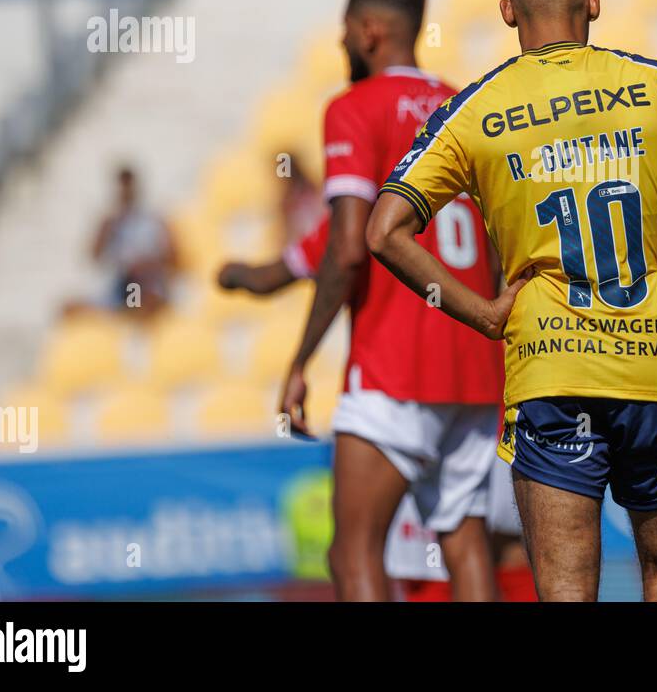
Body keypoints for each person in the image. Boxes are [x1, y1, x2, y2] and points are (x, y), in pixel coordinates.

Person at [367, 0, 657, 601]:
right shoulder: (655, 84)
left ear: (508, 11)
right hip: (653, 365)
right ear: (593, 2)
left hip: (551, 372)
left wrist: (483, 314)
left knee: (567, 591)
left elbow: (384, 229)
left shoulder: (474, 111)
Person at [282, 0, 507, 602]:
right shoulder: (467, 106)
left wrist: (300, 360)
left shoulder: (353, 108)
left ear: (369, 30)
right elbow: (498, 240)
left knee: (353, 551)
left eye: (344, 31)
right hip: (474, 366)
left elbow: (349, 247)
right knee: (466, 545)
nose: (341, 43)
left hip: (395, 364)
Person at [217, 216, 535, 602]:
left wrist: (234, 277)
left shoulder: (371, 198)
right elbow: (496, 261)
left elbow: (340, 252)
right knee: (471, 546)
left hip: (395, 374)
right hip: (478, 377)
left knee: (354, 552)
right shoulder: (463, 184)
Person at [74, 166, 178, 317]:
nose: (125, 191)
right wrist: (105, 229)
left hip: (144, 284)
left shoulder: (153, 220)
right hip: (118, 285)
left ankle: (130, 315)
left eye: (128, 185)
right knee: (71, 309)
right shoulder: (111, 221)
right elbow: (93, 256)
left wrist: (146, 264)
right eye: (122, 186)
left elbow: (173, 258)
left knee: (135, 296)